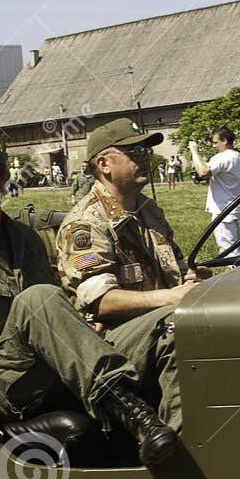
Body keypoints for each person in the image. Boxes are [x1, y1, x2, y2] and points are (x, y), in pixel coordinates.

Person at [0, 129, 179, 465]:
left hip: (63, 363)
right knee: (38, 301)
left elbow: (64, 308)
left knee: (171, 322)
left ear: (3, 181)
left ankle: (184, 453)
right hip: (5, 380)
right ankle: (130, 413)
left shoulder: (27, 240)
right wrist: (37, 338)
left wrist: (70, 330)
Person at [56, 119, 205, 432]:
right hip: (106, 343)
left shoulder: (148, 210)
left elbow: (171, 268)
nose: (145, 156)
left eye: (147, 149)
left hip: (148, 324)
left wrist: (188, 277)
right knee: (176, 327)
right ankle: (182, 449)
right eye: (135, 150)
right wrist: (173, 297)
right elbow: (99, 302)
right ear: (104, 164)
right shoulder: (85, 223)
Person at [189, 126, 240, 261]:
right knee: (235, 246)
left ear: (225, 141)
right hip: (236, 208)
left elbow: (203, 172)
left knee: (228, 250)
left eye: (216, 142)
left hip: (223, 209)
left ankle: (236, 278)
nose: (213, 145)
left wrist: (194, 151)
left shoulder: (222, 157)